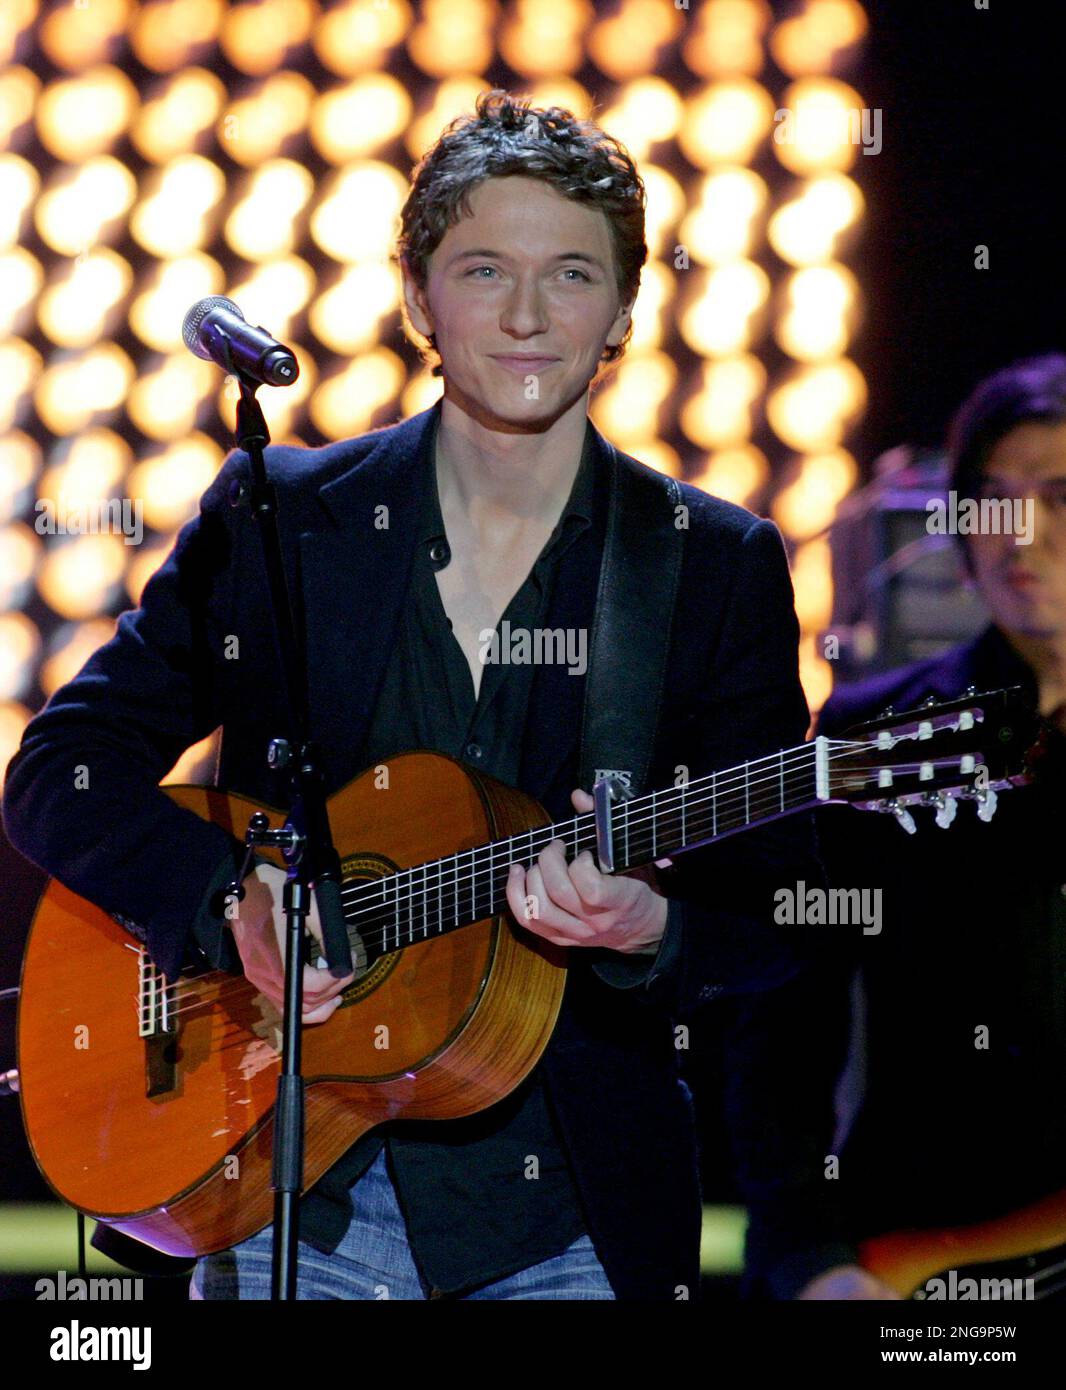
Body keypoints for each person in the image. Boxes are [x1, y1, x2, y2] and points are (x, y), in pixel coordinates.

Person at [4, 89, 855, 1301]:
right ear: (417, 298)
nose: (523, 316)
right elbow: (61, 769)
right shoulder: (285, 519)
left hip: (570, 1219)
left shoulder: (709, 563)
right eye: (482, 270)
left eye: (570, 274)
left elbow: (784, 909)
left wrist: (652, 928)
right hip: (293, 1185)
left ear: (622, 310)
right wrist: (226, 896)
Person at [806, 354, 1066, 1297]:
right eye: (993, 500)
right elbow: (791, 1012)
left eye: (1059, 496)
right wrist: (811, 1260)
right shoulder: (878, 732)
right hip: (932, 1249)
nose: (1019, 536)